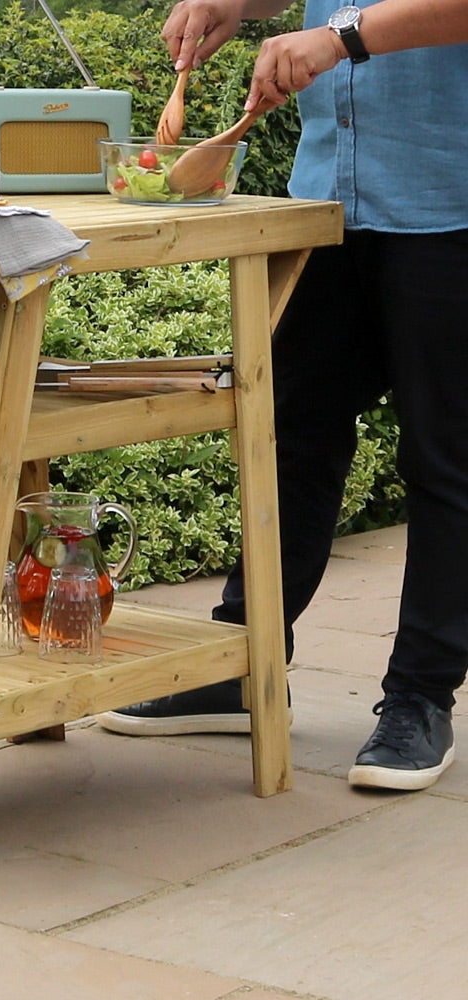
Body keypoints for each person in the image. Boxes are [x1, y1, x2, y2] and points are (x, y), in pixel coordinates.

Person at [97, 0, 468, 791]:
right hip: (325, 205)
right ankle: (247, 658)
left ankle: (420, 697)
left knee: (444, 461)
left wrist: (342, 38)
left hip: (450, 204)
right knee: (288, 437)